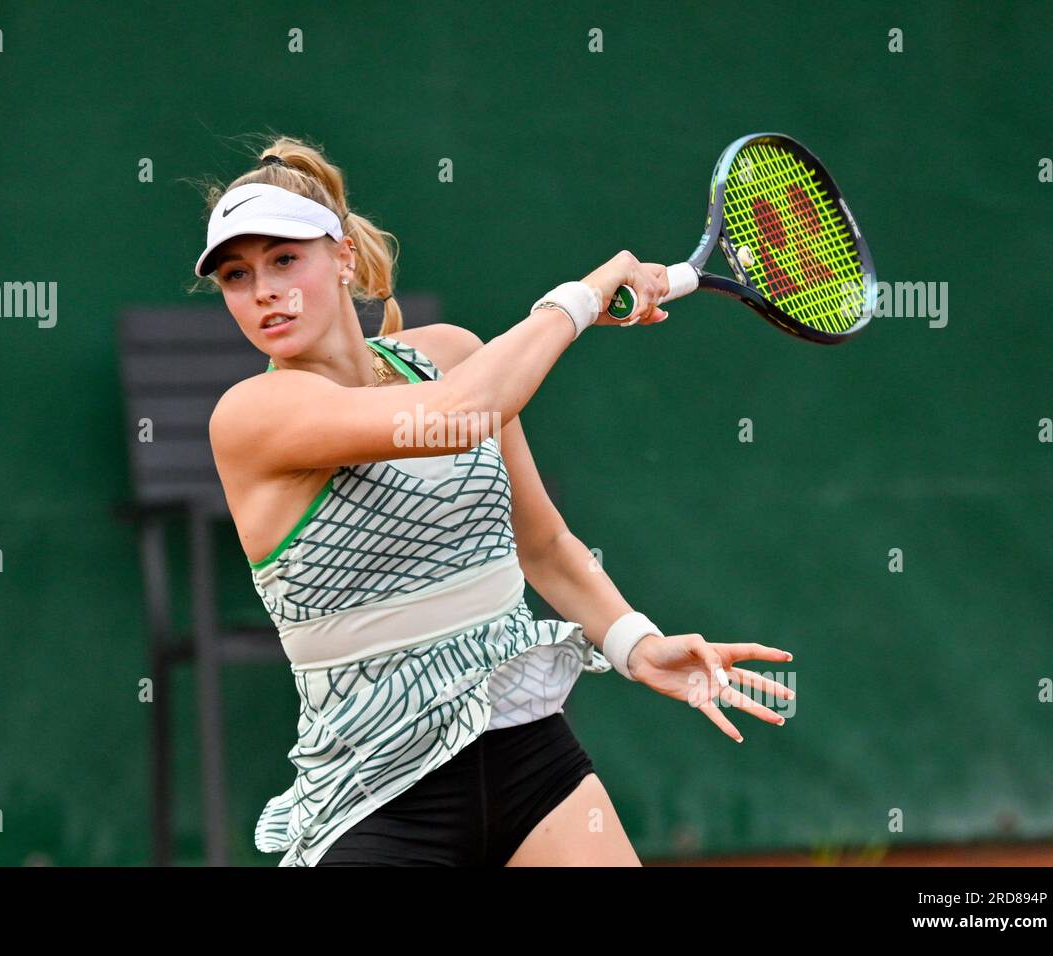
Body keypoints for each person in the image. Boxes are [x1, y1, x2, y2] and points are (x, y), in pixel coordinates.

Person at [197, 136, 794, 866]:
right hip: (377, 803)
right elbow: (458, 415)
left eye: (285, 259)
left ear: (344, 256)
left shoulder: (448, 351)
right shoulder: (253, 415)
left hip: (532, 763)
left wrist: (635, 642)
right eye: (236, 274)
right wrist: (579, 297)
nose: (263, 291)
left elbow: (540, 543)